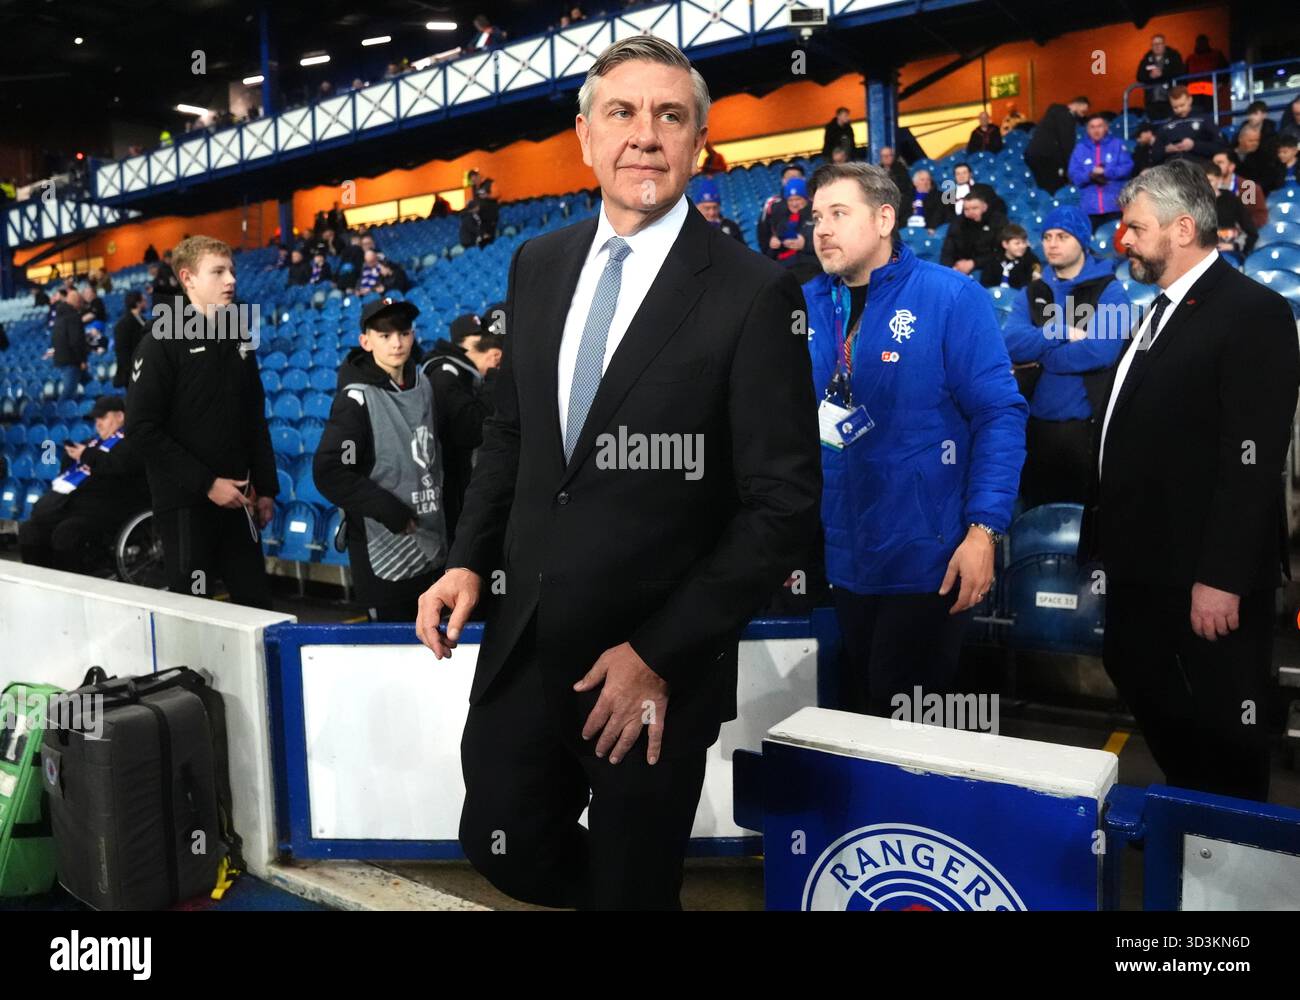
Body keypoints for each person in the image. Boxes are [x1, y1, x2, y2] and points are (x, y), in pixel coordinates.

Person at [414, 35, 820, 911]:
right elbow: (511, 439)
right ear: (585, 138)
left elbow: (781, 506)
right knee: (503, 844)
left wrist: (658, 654)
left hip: (650, 671)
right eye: (623, 113)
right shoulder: (537, 263)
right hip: (526, 646)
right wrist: (463, 559)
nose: (646, 134)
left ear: (700, 143)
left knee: (635, 888)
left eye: (671, 116)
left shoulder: (754, 293)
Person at [1083, 160, 1300, 803]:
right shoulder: (1160, 312)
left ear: (1183, 228)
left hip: (1206, 569)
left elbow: (1252, 458)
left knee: (1228, 718)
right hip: (1144, 559)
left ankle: (1228, 851)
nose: (1123, 239)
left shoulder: (1252, 311)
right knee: (1135, 666)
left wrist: (1224, 576)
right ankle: (1191, 811)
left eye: (1135, 227)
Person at [802, 161, 1026, 717]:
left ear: (884, 218)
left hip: (929, 557)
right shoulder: (801, 305)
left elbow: (999, 414)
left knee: (906, 717)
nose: (822, 229)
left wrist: (983, 532)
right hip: (843, 555)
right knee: (859, 708)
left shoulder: (950, 297)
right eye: (815, 217)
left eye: (838, 213)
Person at [125, 235, 278, 609]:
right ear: (188, 278)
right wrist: (207, 484)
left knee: (257, 609)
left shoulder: (237, 333)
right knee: (197, 613)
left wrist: (267, 487)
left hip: (241, 500)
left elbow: (253, 415)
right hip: (186, 507)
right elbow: (141, 428)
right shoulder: (160, 340)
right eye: (219, 271)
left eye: (232, 271)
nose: (231, 280)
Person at [313, 299, 448, 622]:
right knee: (396, 652)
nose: (396, 343)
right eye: (385, 336)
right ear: (366, 341)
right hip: (386, 552)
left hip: (432, 542)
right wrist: (388, 509)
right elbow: (330, 470)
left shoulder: (424, 383)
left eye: (403, 333)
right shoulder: (355, 398)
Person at [1002, 205, 1129, 508]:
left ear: (1082, 240)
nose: (1052, 243)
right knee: (1036, 521)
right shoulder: (1032, 292)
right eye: (1047, 236)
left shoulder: (1110, 290)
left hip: (1087, 429)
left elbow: (1100, 351)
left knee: (1090, 527)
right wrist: (1058, 332)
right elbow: (1011, 343)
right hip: (1034, 428)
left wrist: (1043, 356)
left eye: (1062, 236)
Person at [18, 396, 150, 575]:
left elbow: (117, 466)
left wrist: (86, 455)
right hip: (76, 505)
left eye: (103, 418)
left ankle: (71, 585)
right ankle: (40, 581)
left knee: (66, 533)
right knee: (30, 530)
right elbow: (69, 473)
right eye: (96, 419)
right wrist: (72, 457)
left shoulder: (133, 443)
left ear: (120, 417)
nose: (98, 424)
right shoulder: (92, 444)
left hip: (110, 507)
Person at [419, 313, 505, 542]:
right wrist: (494, 381)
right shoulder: (446, 374)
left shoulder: (456, 372)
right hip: (444, 483)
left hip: (450, 481)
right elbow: (469, 429)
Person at [1068, 114, 1133, 230]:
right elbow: (1073, 174)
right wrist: (1089, 174)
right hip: (1089, 208)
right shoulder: (1080, 148)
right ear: (1087, 130)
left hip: (1114, 206)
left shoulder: (1116, 144)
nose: (1096, 130)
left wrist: (1106, 171)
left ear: (1106, 127)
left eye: (1099, 126)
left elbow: (1127, 167)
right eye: (1092, 127)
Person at [1024, 96, 1090, 193]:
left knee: (1044, 187)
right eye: (1083, 111)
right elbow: (1067, 144)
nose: (1082, 116)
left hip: (1034, 155)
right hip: (1047, 157)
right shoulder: (1067, 116)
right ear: (1079, 104)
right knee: (1054, 188)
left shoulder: (1054, 113)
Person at [764, 175, 819, 282]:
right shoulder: (784, 221)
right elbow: (770, 256)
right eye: (790, 200)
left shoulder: (817, 216)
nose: (794, 204)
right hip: (787, 272)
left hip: (813, 271)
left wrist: (805, 244)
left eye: (798, 199)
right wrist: (773, 246)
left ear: (806, 199)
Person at [939, 191, 1005, 278]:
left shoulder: (998, 222)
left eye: (974, 208)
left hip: (989, 269)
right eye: (966, 209)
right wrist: (951, 269)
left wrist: (973, 263)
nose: (970, 212)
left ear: (984, 207)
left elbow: (1001, 252)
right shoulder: (957, 223)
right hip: (958, 268)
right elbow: (948, 250)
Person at [1152, 86, 1225, 164]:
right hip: (1173, 168)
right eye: (1175, 107)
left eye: (1182, 105)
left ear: (1190, 100)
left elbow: (1220, 146)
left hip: (1200, 166)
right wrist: (1166, 150)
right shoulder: (1165, 126)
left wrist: (1194, 145)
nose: (1179, 110)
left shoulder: (1204, 119)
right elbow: (1155, 155)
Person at [1136, 33, 1185, 121]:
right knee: (1155, 126)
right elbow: (1139, 76)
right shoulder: (1146, 59)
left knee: (1170, 123)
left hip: (1170, 99)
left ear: (1164, 44)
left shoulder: (1173, 56)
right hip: (1152, 101)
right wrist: (1150, 75)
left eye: (1159, 43)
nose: (1157, 46)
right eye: (1154, 44)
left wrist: (1162, 73)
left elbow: (1179, 71)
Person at [50, 286, 87, 399]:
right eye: (81, 302)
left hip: (61, 358)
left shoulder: (59, 317)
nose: (82, 305)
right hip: (72, 360)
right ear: (76, 302)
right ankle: (61, 412)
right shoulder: (73, 317)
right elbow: (76, 340)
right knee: (68, 393)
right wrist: (82, 360)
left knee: (87, 381)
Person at [756, 164, 804, 249]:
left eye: (796, 176)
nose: (792, 179)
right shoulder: (771, 203)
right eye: (789, 177)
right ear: (783, 181)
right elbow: (763, 233)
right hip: (781, 257)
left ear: (803, 179)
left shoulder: (815, 200)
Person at [980, 222, 1039, 289]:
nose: (1022, 246)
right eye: (1017, 243)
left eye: (1024, 242)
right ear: (1005, 244)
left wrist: (1036, 272)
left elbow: (1036, 266)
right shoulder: (993, 261)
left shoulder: (1028, 260)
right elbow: (986, 284)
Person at [111, 290, 148, 389]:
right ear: (138, 303)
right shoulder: (123, 325)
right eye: (144, 300)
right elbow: (122, 353)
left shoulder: (143, 320)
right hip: (133, 374)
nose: (146, 302)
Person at [879, 146, 913, 217]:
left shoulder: (901, 170)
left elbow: (905, 187)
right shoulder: (877, 171)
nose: (886, 158)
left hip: (900, 201)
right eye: (884, 156)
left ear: (893, 157)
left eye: (888, 155)